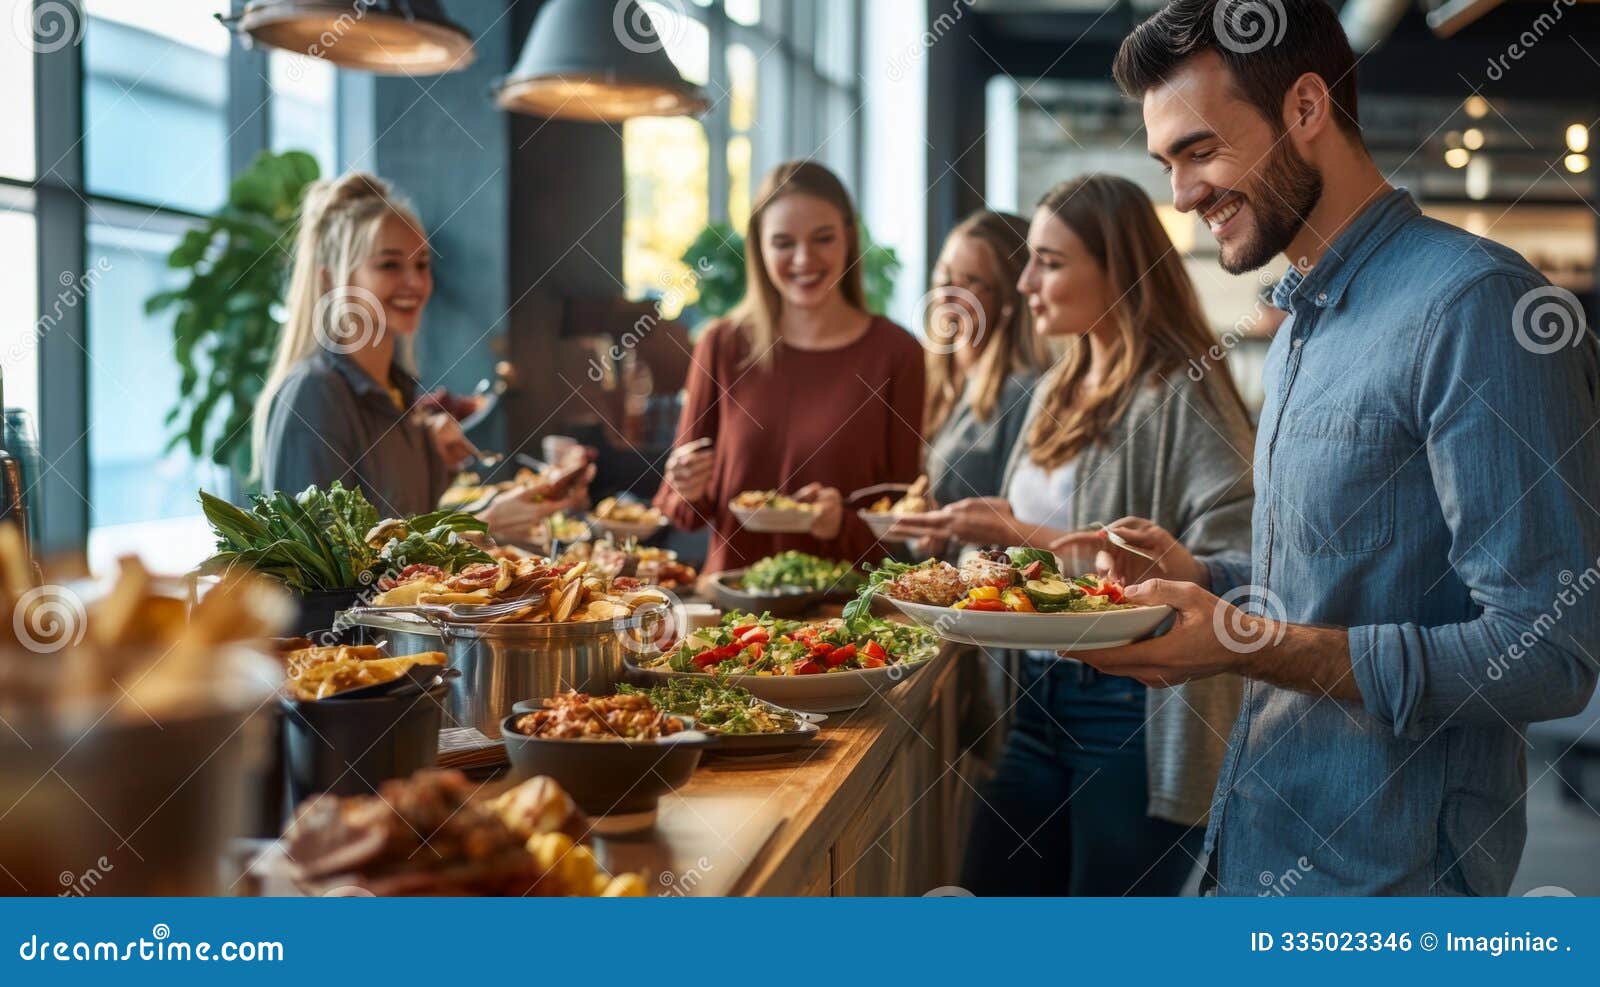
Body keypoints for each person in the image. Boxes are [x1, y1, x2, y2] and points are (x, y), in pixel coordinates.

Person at [1074, 0, 1600, 895]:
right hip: (1252, 842)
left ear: (1306, 110)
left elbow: (1550, 655)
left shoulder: (1475, 310)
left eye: (1200, 151)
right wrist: (1207, 580)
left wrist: (1245, 646)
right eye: (1167, 163)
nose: (1182, 194)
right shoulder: (1296, 325)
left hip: (1390, 889)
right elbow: (1343, 578)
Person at [891, 174, 1255, 895]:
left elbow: (1238, 559)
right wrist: (980, 533)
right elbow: (1048, 541)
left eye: (1050, 263)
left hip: (1129, 709)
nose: (1024, 282)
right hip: (1032, 696)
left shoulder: (1181, 389)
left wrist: (1019, 528)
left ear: (1117, 269)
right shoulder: (1062, 383)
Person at [256, 172, 586, 533]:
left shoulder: (399, 395)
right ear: (331, 280)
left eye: (422, 264)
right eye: (389, 265)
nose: (415, 283)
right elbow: (320, 576)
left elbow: (406, 535)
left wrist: (438, 468)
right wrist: (482, 525)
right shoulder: (315, 394)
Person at [652, 161, 925, 574]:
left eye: (823, 238)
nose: (803, 259)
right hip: (734, 614)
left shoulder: (897, 352)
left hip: (852, 618)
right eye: (783, 242)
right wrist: (684, 485)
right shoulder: (722, 344)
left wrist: (841, 523)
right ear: (759, 248)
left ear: (849, 239)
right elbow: (682, 512)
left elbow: (905, 517)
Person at [914, 210, 1051, 557]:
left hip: (983, 596)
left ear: (1010, 297)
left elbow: (1018, 517)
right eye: (945, 274)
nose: (947, 293)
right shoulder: (938, 378)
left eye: (972, 281)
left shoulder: (1022, 391)